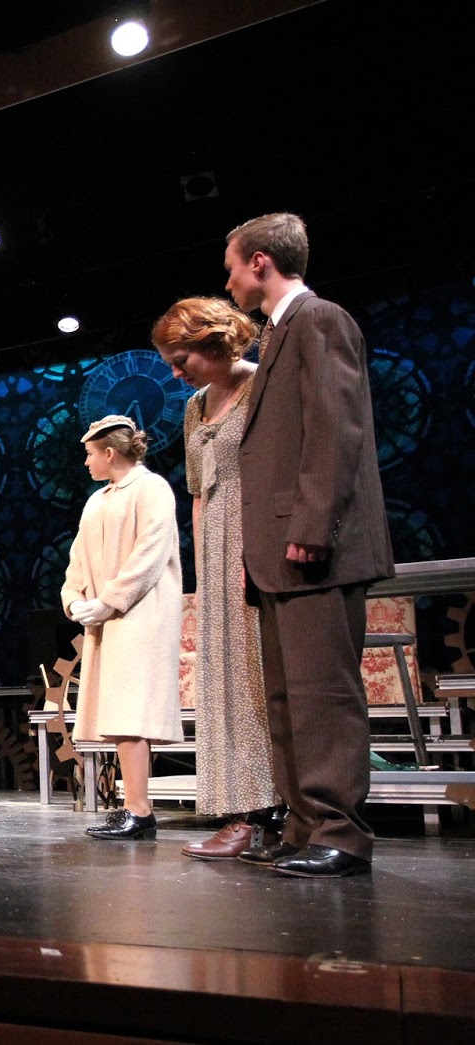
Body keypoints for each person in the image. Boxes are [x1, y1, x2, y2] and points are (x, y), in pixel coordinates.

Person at [223, 212, 394, 878]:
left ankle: (341, 833)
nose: (230, 278)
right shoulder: (278, 334)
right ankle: (302, 823)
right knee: (289, 698)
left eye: (233, 264)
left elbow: (335, 427)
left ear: (261, 262)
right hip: (278, 555)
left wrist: (311, 527)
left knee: (323, 693)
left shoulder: (319, 320)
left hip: (313, 548)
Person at [152, 298, 283, 859]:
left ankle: (270, 813)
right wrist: (205, 575)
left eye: (182, 358)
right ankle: (237, 812)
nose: (175, 373)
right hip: (218, 558)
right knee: (222, 686)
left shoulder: (262, 387)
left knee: (259, 683)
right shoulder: (195, 407)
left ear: (215, 343)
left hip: (260, 546)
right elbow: (200, 494)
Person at [61, 415, 184, 840]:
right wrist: (74, 598)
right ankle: (135, 806)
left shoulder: (151, 489)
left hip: (141, 615)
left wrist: (109, 600)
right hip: (107, 619)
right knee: (117, 714)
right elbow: (77, 557)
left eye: (90, 455)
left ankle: (139, 809)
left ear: (109, 453)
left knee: (131, 712)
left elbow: (150, 555)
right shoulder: (97, 501)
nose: (86, 463)